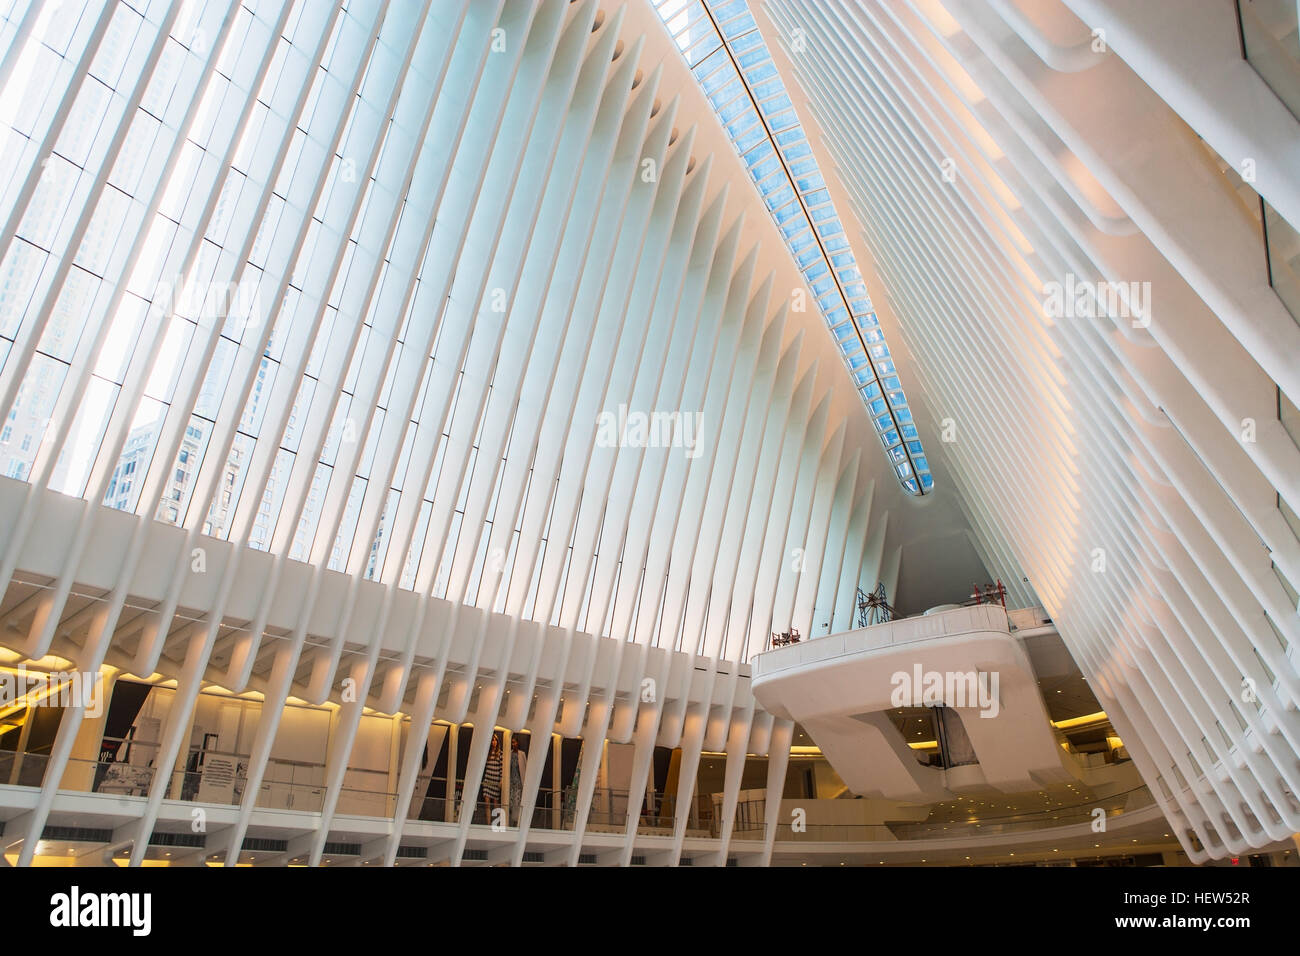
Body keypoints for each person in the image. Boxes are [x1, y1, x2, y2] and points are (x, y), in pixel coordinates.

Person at [482, 733, 503, 824]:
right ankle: (488, 823)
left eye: (495, 740)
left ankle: (496, 823)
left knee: (495, 803)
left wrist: (501, 780)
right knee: (487, 803)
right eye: (492, 740)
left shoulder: (500, 753)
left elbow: (502, 767)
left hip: (496, 781)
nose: (493, 742)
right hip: (488, 780)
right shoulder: (488, 753)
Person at [508, 737, 526, 826]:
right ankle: (511, 821)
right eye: (512, 742)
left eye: (514, 742)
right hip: (511, 782)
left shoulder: (522, 754)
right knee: (511, 802)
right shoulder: (509, 754)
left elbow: (524, 768)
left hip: (519, 782)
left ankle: (516, 822)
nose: (513, 744)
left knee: (517, 801)